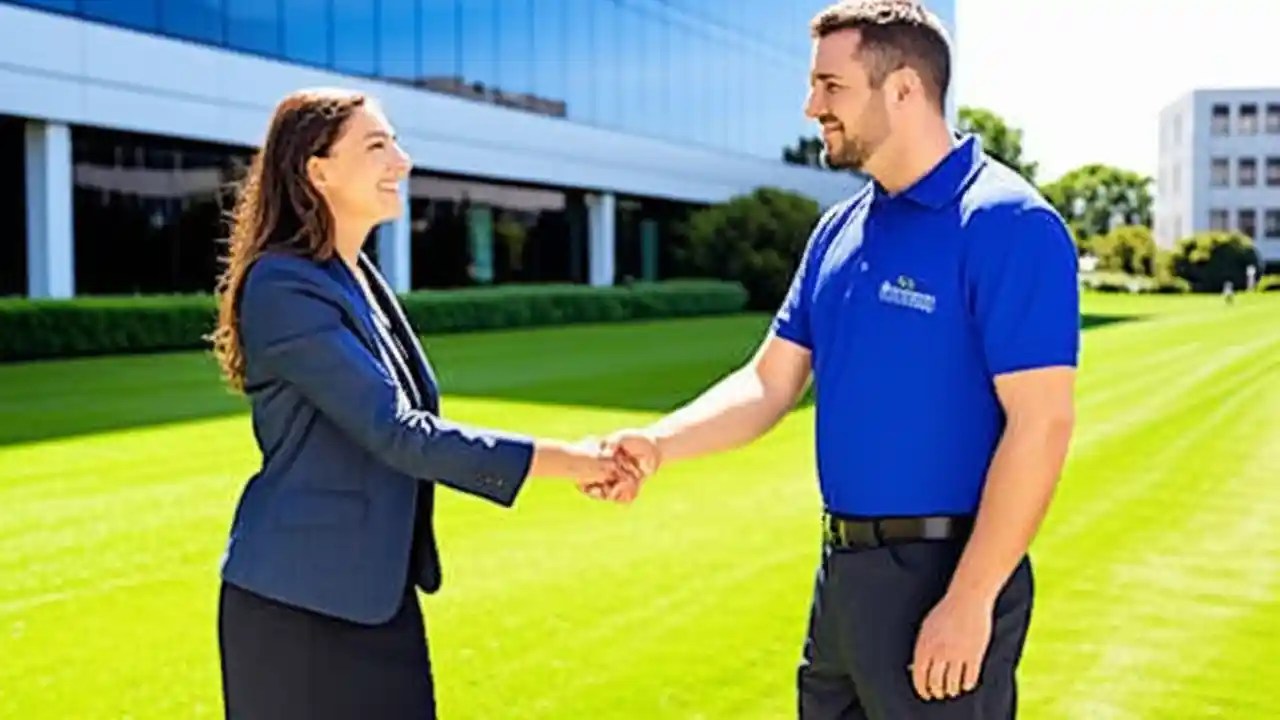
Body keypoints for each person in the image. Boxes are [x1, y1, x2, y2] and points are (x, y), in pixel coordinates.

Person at [598, 2, 1079, 718]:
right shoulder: (838, 231)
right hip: (843, 578)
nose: (811, 106)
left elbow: (1041, 423)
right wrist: (658, 443)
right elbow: (769, 383)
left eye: (831, 86)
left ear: (904, 88)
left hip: (945, 574)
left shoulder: (1008, 223)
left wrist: (971, 597)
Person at [209, 87, 639, 719]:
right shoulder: (283, 286)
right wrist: (573, 461)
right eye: (377, 146)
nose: (401, 162)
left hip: (374, 597)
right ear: (318, 171)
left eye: (396, 143)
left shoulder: (358, 278)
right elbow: (399, 433)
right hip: (296, 609)